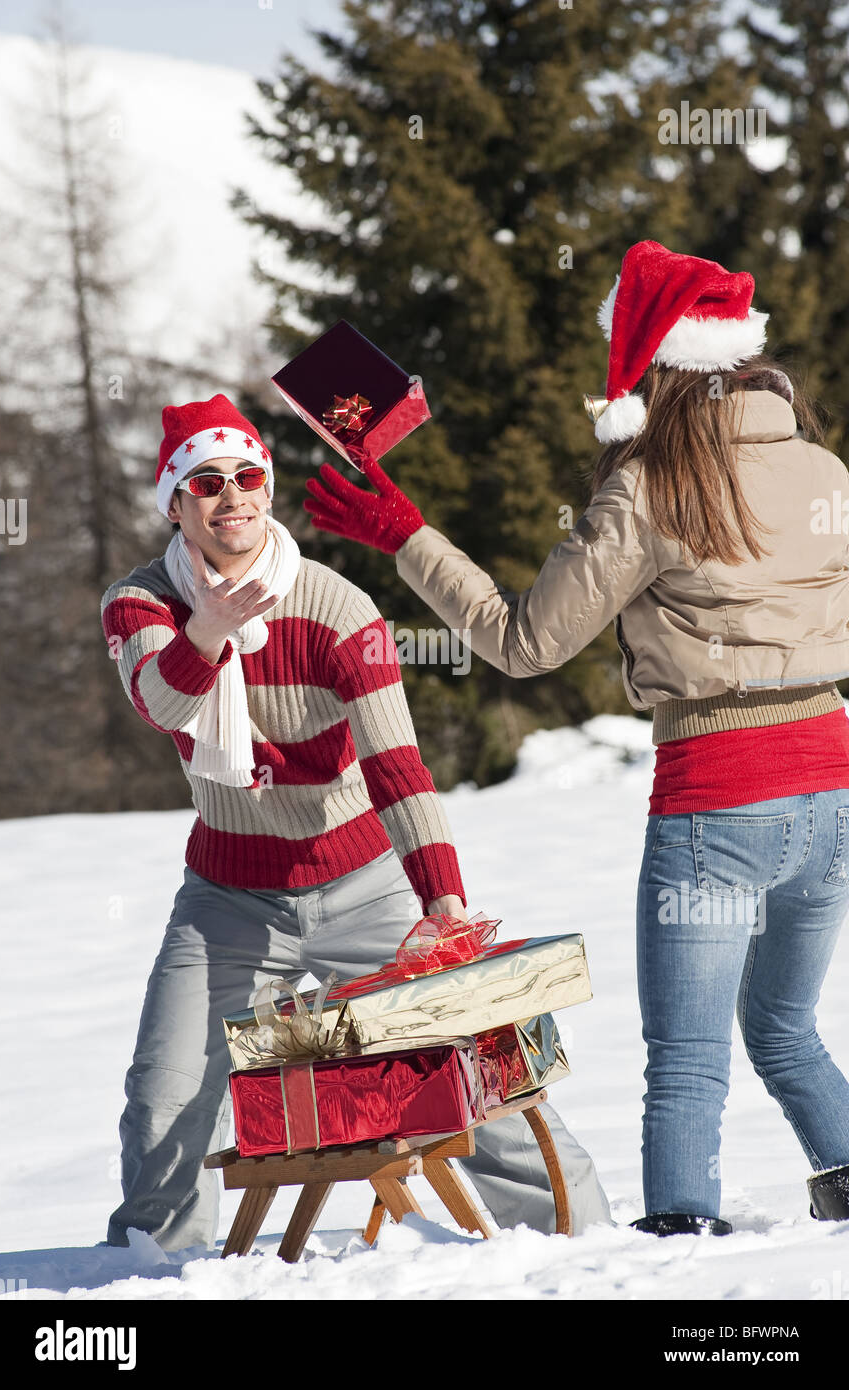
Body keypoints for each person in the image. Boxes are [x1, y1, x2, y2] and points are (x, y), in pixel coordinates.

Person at [305, 239, 849, 1236]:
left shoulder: (654, 484)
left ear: (656, 367)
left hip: (718, 796)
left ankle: (684, 1254)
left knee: (688, 1059)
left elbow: (526, 641)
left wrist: (406, 535)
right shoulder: (824, 469)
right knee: (782, 1026)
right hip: (832, 790)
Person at [100, 393, 611, 1253]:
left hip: (364, 885)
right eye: (208, 482)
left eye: (249, 477)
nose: (233, 497)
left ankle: (583, 1239)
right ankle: (157, 1267)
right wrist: (213, 631)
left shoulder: (339, 610)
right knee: (166, 1085)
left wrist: (442, 902)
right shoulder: (140, 604)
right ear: (176, 503)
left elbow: (397, 768)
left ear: (267, 489)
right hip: (229, 899)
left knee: (468, 1056)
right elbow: (160, 701)